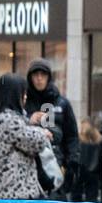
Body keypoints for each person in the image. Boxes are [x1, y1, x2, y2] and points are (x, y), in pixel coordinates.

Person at [0, 73, 52, 202]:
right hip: (13, 191)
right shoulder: (8, 120)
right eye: (23, 93)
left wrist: (30, 122)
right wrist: (44, 133)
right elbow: (34, 142)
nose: (25, 97)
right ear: (14, 95)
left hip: (4, 190)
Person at [24, 58, 78, 194]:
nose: (39, 79)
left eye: (43, 75)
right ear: (30, 78)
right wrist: (29, 120)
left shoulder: (62, 103)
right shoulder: (23, 102)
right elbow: (13, 129)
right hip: (29, 166)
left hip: (55, 164)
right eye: (35, 75)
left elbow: (72, 137)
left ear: (49, 77)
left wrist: (70, 165)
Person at [71, 119, 102, 203]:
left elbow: (74, 156)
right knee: (92, 197)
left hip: (80, 171)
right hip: (94, 172)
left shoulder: (78, 140)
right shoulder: (99, 141)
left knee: (76, 197)